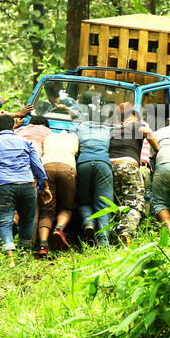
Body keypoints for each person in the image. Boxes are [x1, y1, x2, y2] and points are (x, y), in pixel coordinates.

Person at [0, 114, 47, 261]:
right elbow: (37, 166)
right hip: (27, 184)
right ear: (13, 126)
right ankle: (24, 252)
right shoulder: (25, 142)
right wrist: (43, 186)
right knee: (27, 219)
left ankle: (10, 258)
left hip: (3, 185)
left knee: (4, 221)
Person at [75, 98, 114, 247]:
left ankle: (88, 222)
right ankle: (104, 242)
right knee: (104, 203)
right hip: (103, 163)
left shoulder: (80, 128)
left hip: (83, 163)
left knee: (83, 200)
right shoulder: (106, 130)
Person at [108, 103, 150, 245]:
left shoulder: (113, 130)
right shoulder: (136, 125)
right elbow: (149, 134)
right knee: (136, 203)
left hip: (111, 167)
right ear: (133, 116)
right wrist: (157, 150)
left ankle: (117, 233)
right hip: (129, 165)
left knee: (120, 202)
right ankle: (126, 233)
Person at [37, 126, 79, 257]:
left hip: (46, 169)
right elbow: (76, 153)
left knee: (46, 211)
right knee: (66, 207)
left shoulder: (49, 137)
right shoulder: (74, 138)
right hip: (67, 168)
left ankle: (43, 245)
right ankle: (59, 229)